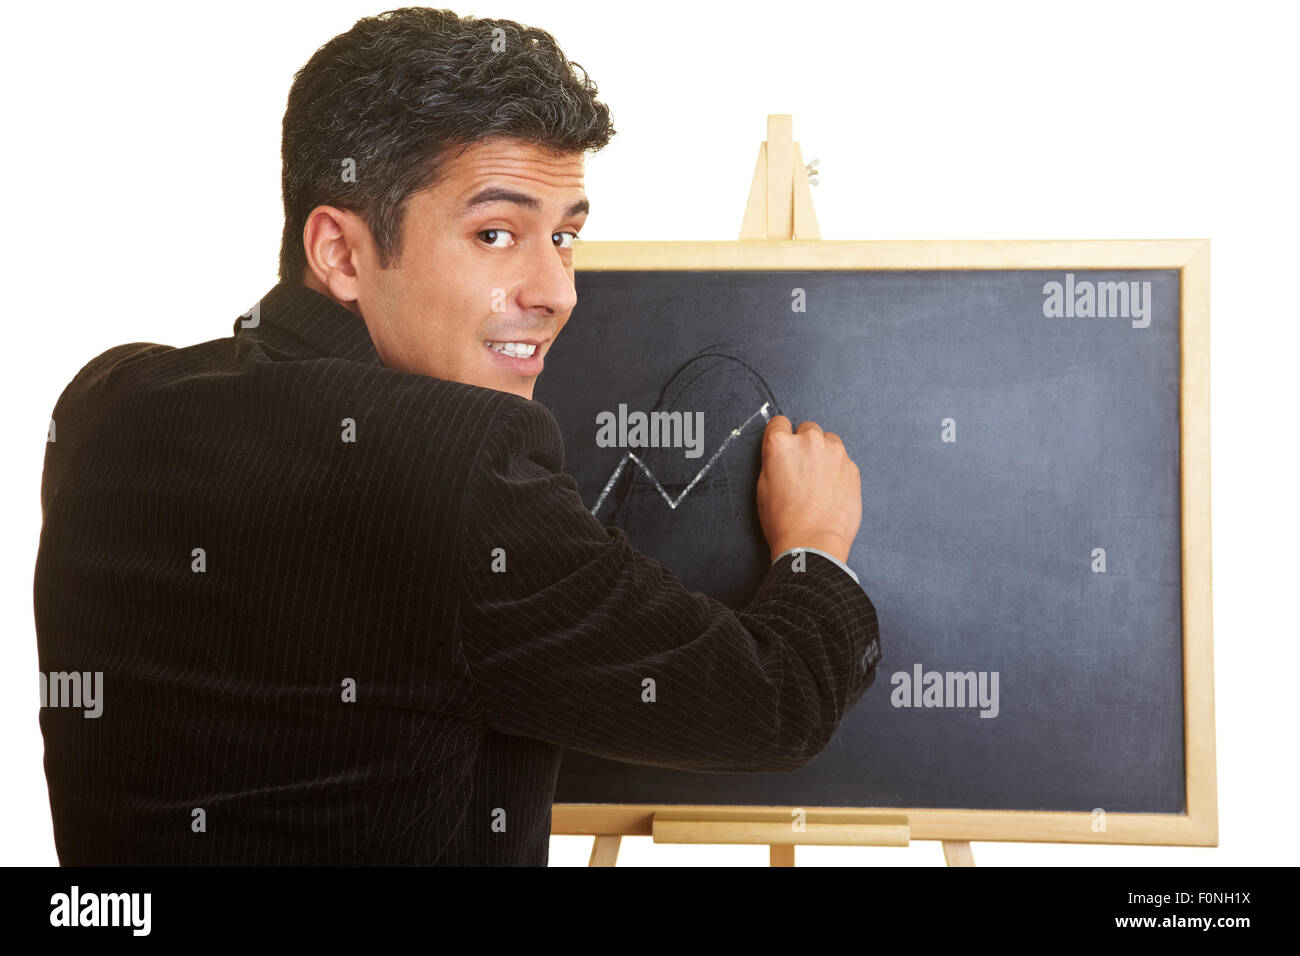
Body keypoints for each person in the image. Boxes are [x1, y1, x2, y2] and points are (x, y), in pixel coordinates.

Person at [34, 7, 880, 866]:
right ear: (340, 252)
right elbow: (774, 704)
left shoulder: (107, 402)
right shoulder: (463, 467)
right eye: (495, 233)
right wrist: (815, 542)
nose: (558, 290)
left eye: (565, 236)